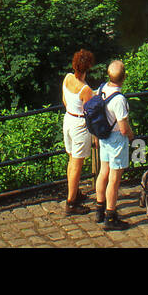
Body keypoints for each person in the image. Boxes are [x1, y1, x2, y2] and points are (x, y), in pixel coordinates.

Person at [93, 59, 134, 231]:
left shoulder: (102, 89)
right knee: (114, 179)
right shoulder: (119, 99)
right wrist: (133, 137)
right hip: (117, 139)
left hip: (104, 137)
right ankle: (111, 216)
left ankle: (99, 209)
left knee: (104, 172)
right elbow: (123, 128)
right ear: (124, 77)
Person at [61, 49, 96, 214]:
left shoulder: (67, 78)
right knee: (77, 164)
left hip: (68, 120)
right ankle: (71, 203)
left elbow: (65, 101)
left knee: (71, 160)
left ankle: (73, 192)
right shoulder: (86, 90)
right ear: (88, 67)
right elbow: (91, 112)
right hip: (80, 126)